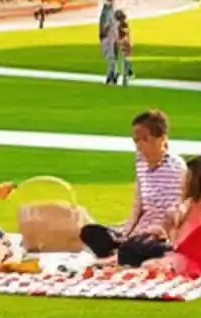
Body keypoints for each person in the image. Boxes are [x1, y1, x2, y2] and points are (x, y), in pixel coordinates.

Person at [79, 110, 185, 267]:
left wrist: (159, 233)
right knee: (89, 232)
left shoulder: (178, 169)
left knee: (138, 247)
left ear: (161, 138)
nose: (139, 146)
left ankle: (118, 255)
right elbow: (138, 204)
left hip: (160, 235)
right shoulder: (140, 163)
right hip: (139, 231)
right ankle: (120, 251)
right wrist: (126, 233)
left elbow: (178, 214)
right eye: (136, 141)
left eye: (144, 139)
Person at [142, 155, 201, 278]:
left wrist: (169, 227)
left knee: (148, 264)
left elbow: (180, 243)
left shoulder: (193, 205)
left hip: (193, 259)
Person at [99, 0, 119, 84]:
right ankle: (113, 73)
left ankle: (111, 74)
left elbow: (108, 23)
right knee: (110, 55)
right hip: (110, 34)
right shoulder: (107, 9)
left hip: (110, 34)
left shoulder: (110, 9)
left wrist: (104, 31)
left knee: (110, 55)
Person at [114, 9, 134, 84]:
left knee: (125, 59)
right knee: (125, 59)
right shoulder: (122, 25)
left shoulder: (123, 25)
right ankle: (127, 73)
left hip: (124, 43)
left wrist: (120, 42)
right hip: (124, 43)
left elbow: (125, 35)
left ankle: (125, 75)